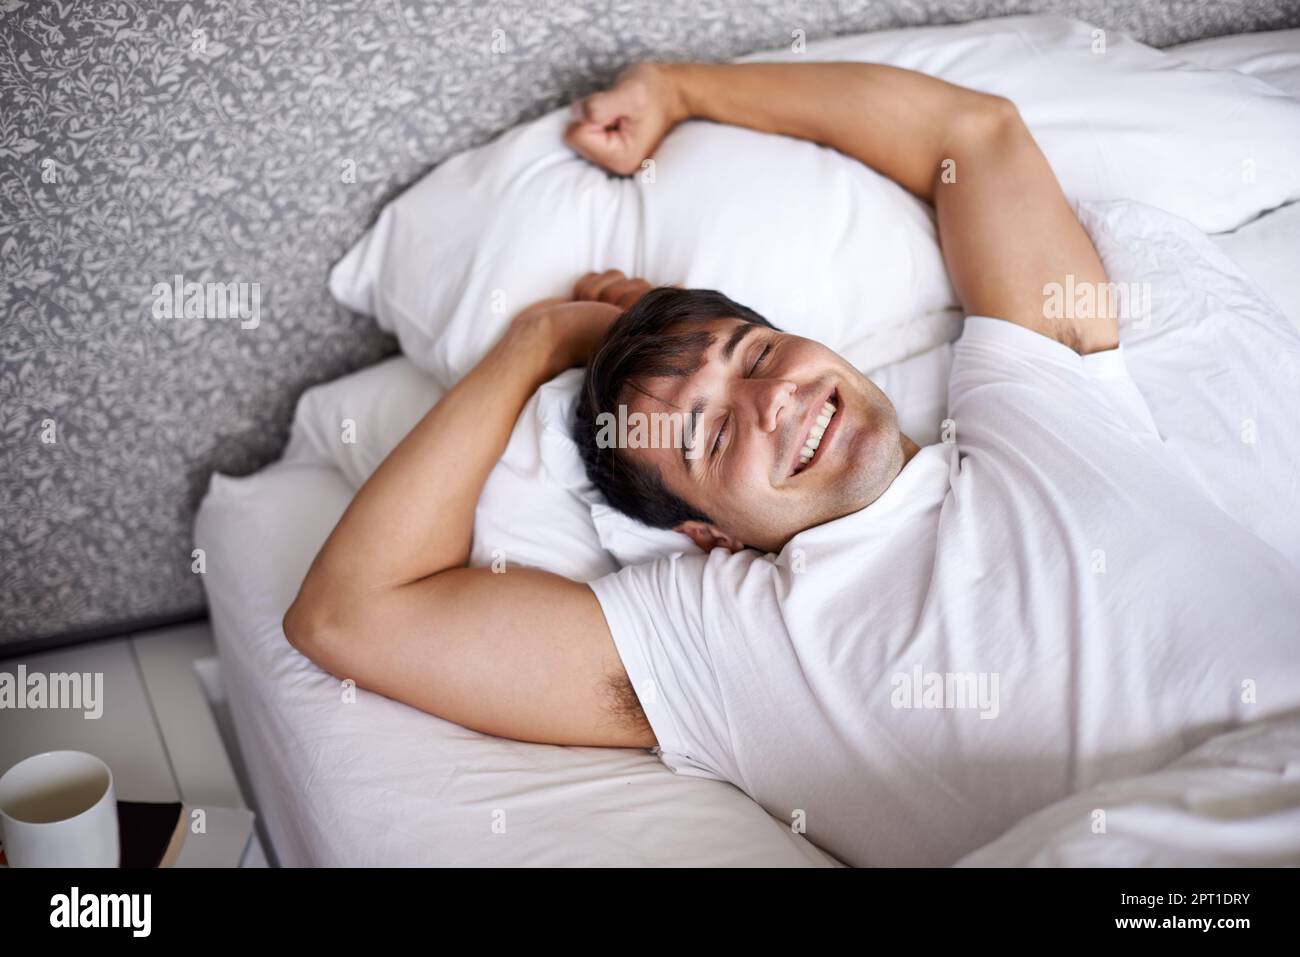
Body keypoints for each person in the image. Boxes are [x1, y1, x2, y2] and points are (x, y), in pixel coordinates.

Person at [284, 62, 1300, 865]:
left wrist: (679, 88)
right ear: (706, 533)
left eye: (758, 356)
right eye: (714, 436)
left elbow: (971, 135)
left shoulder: (1036, 398)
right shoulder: (721, 637)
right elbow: (349, 615)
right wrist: (541, 340)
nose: (776, 402)